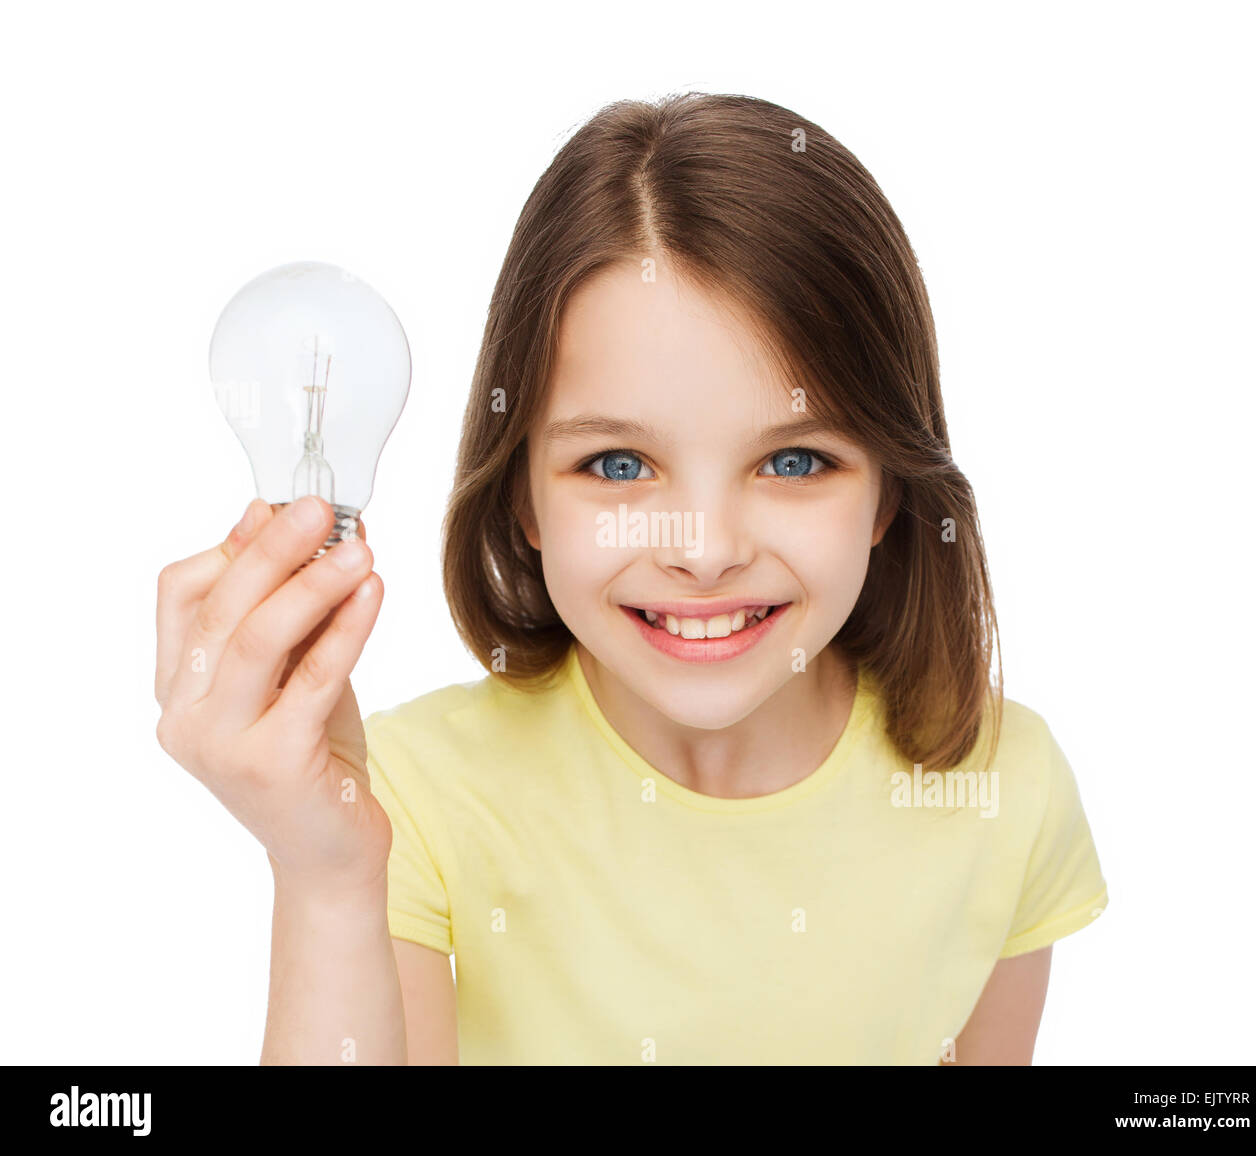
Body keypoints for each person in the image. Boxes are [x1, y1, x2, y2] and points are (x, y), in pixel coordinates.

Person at [154, 92, 1108, 1065]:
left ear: (889, 493)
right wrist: (326, 879)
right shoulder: (413, 799)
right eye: (616, 464)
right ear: (522, 492)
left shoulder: (1002, 788)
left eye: (792, 462)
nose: (702, 549)